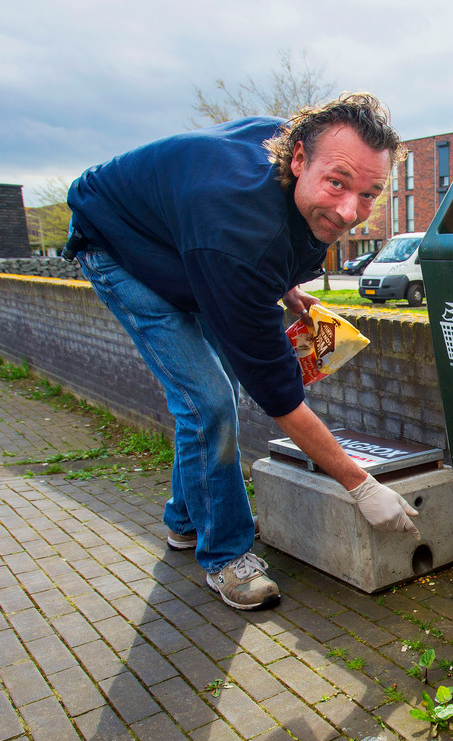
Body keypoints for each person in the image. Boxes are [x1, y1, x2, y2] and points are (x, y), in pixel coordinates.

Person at [65, 92, 418, 612]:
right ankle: (226, 554)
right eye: (337, 184)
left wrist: (284, 286)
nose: (350, 211)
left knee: (210, 399)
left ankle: (187, 522)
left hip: (188, 242)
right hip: (117, 243)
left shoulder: (293, 154)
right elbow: (279, 397)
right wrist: (360, 486)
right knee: (209, 402)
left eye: (369, 193)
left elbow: (260, 255)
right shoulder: (234, 235)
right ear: (297, 160)